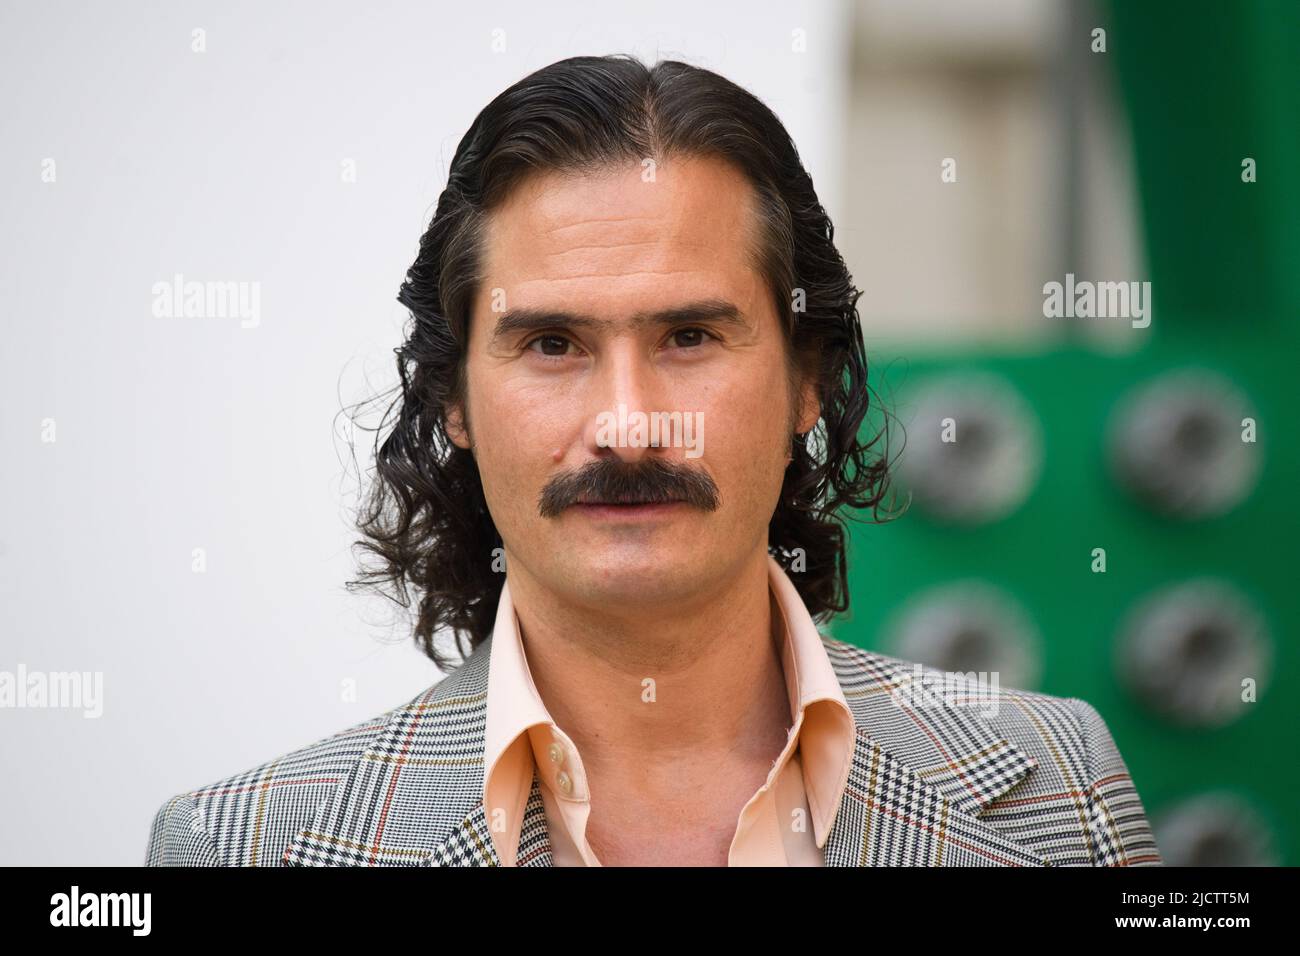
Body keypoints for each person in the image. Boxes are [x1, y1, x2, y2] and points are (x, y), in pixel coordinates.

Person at [146, 54, 1161, 867]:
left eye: (688, 337)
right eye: (551, 344)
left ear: (807, 381)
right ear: (453, 399)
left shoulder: (1055, 789)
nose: (628, 426)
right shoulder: (246, 844)